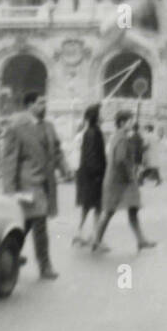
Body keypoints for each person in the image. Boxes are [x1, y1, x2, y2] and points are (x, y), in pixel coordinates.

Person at [0, 92, 60, 280]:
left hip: (45, 183)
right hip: (27, 183)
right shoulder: (17, 128)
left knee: (25, 224)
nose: (45, 106)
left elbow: (56, 150)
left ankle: (7, 256)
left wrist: (64, 167)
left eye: (45, 102)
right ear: (30, 105)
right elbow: (10, 160)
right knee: (39, 224)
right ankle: (45, 266)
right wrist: (9, 190)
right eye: (41, 103)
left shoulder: (48, 127)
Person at [91, 110, 156, 253]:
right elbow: (120, 159)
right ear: (122, 123)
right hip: (120, 181)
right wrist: (131, 174)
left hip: (118, 180)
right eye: (129, 121)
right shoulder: (122, 138)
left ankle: (141, 240)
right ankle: (96, 241)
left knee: (132, 208)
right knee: (110, 211)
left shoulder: (118, 136)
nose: (132, 123)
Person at [73, 103, 105, 246]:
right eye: (100, 113)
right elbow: (92, 156)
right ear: (96, 116)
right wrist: (98, 173)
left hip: (89, 175)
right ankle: (88, 235)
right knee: (92, 205)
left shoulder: (92, 131)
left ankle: (90, 234)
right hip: (93, 176)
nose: (102, 116)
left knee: (91, 206)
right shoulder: (93, 133)